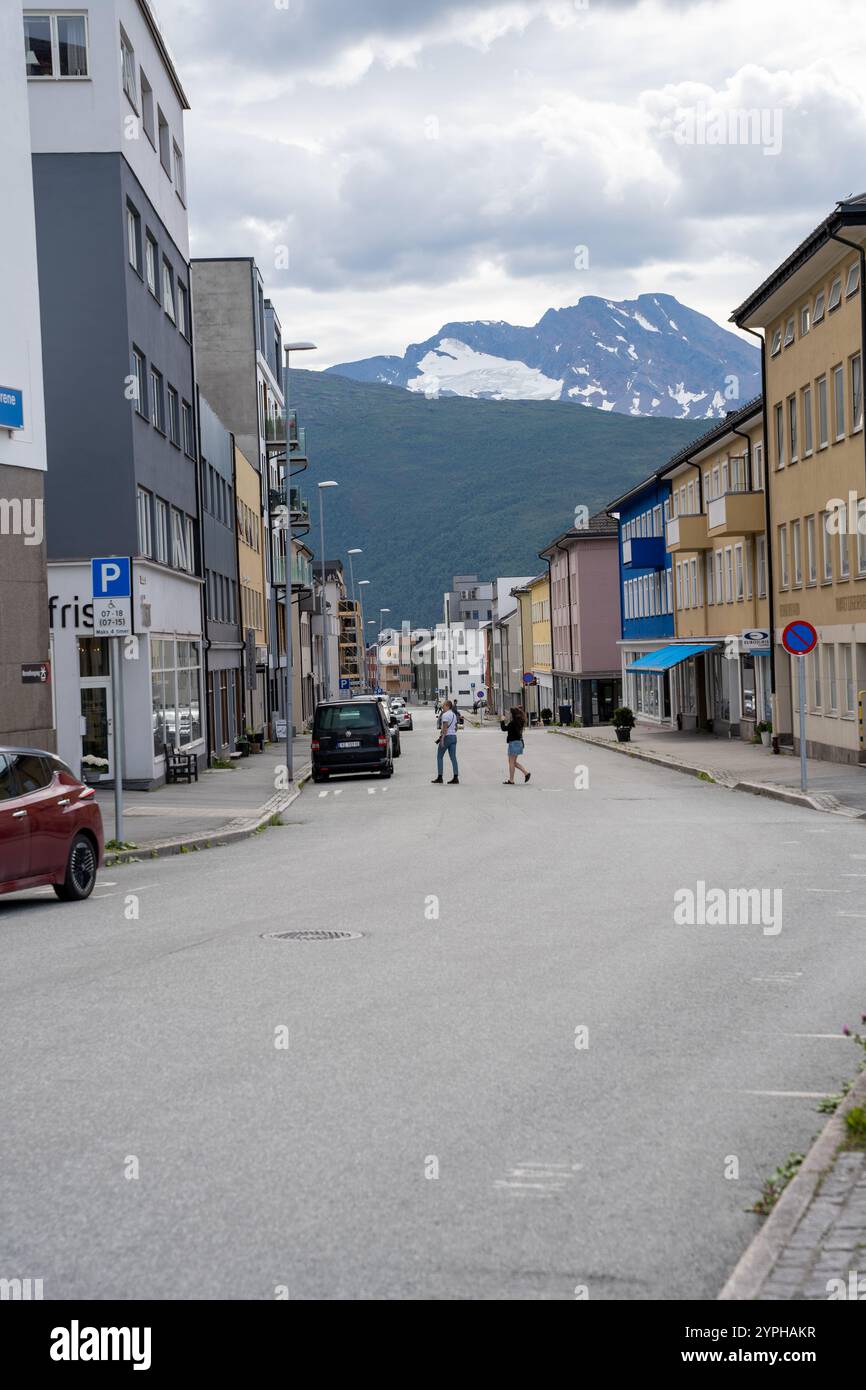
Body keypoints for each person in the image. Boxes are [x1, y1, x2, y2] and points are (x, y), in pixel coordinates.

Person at [432, 698, 459, 784]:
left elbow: (445, 728)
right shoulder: (454, 715)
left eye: (443, 705)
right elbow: (456, 727)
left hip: (447, 737)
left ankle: (440, 777)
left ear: (447, 706)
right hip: (454, 737)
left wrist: (442, 739)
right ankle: (456, 777)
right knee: (453, 758)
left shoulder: (445, 715)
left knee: (439, 756)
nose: (442, 707)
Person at [500, 705, 530, 784]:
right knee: (512, 762)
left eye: (510, 713)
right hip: (518, 743)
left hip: (513, 744)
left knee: (511, 762)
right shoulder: (519, 722)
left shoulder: (512, 723)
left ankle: (512, 779)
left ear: (513, 715)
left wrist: (502, 720)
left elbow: (503, 728)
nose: (509, 715)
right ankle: (526, 773)